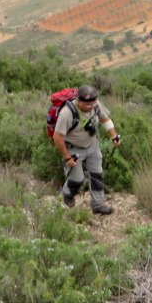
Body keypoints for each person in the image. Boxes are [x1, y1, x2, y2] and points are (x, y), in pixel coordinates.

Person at [52, 84, 121, 215]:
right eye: (87, 104)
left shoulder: (95, 104)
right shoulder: (66, 113)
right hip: (73, 150)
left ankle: (98, 204)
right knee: (77, 179)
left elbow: (105, 119)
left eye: (92, 104)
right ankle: (67, 196)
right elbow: (58, 137)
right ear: (78, 100)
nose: (90, 107)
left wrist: (114, 136)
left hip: (92, 146)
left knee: (97, 175)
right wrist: (67, 157)